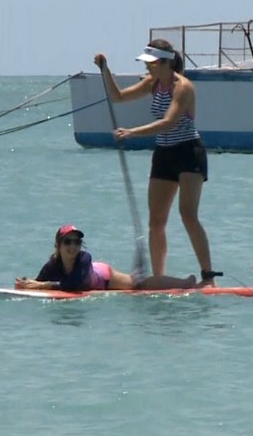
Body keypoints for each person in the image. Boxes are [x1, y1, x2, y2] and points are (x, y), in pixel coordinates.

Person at [93, 40, 222, 286]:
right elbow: (118, 97)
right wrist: (105, 70)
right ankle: (159, 278)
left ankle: (208, 277)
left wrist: (131, 133)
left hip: (188, 152)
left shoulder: (183, 87)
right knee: (156, 221)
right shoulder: (152, 83)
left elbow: (168, 122)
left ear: (165, 62)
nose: (148, 67)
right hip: (163, 153)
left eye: (151, 63)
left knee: (188, 214)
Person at [15, 225, 196, 291]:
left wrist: (44, 285)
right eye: (67, 242)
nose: (73, 246)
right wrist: (26, 283)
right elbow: (39, 283)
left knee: (138, 284)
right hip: (88, 276)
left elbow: (75, 284)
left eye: (77, 242)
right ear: (58, 246)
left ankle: (186, 283)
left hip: (103, 276)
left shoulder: (84, 258)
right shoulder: (52, 265)